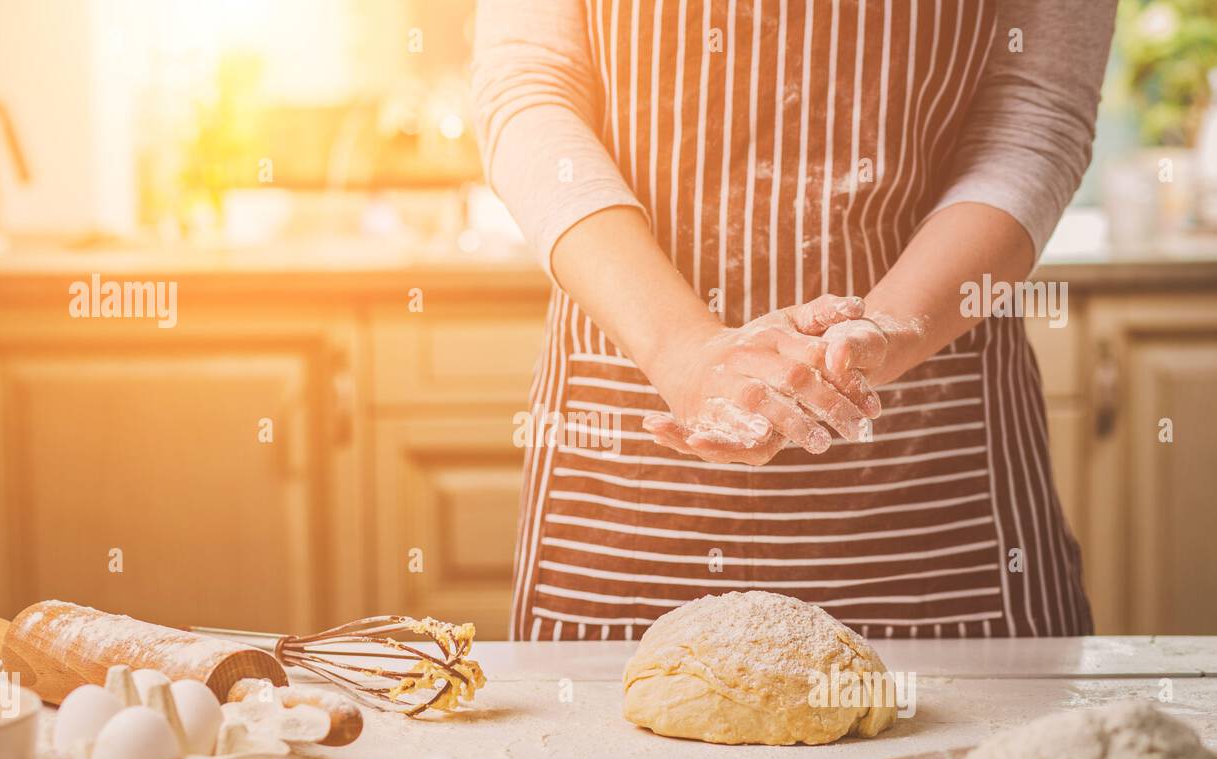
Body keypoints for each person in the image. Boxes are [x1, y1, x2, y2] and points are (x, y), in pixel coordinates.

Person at [470, 0, 1116, 641]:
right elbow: (529, 87)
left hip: (936, 479)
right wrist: (681, 350)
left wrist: (894, 326)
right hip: (630, 467)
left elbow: (1034, 112)